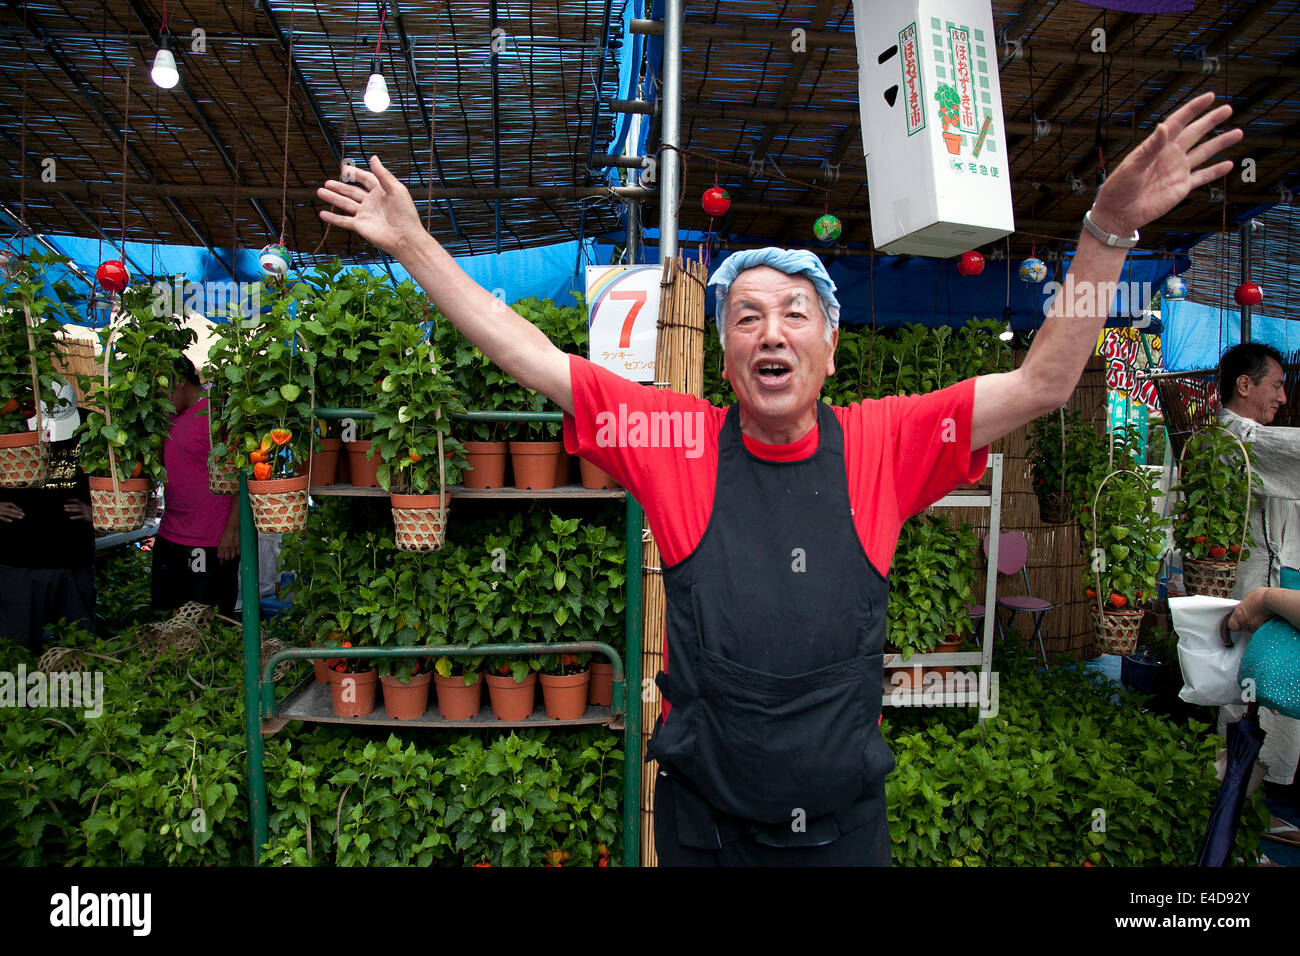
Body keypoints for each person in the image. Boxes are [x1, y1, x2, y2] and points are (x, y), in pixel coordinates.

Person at [318, 92, 1240, 865]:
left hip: (841, 839)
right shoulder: (673, 440)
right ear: (725, 359)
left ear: (830, 349)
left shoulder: (886, 442)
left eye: (796, 313)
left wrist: (1107, 233)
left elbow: (1044, 382)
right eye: (747, 316)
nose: (771, 331)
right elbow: (530, 353)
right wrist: (413, 246)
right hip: (700, 832)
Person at [1215, 342, 1300, 788]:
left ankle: (1249, 815)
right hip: (1247, 592)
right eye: (1277, 385)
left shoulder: (1249, 438)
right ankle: (1234, 821)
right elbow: (1288, 455)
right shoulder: (1232, 439)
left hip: (1271, 590)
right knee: (1243, 701)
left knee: (1266, 697)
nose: (1283, 398)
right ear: (1244, 385)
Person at [0, 378, 95, 649]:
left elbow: (120, 476)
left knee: (80, 645)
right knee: (16, 646)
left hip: (73, 555)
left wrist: (98, 510)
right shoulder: (10, 425)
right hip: (18, 557)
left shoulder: (95, 426)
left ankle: (80, 691)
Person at [151, 356, 240, 617]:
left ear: (178, 381)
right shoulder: (168, 417)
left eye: (160, 390)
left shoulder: (217, 414)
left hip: (212, 543)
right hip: (169, 537)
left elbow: (242, 474)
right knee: (165, 622)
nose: (159, 398)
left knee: (206, 629)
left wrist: (232, 531)